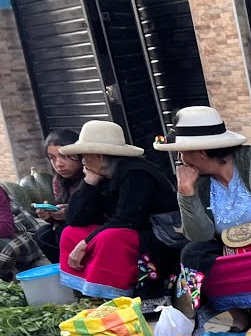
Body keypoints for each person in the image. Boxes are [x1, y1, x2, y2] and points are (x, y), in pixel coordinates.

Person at [155, 106, 251, 331]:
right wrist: (186, 193)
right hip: (229, 248)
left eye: (182, 152)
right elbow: (200, 235)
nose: (180, 159)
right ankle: (239, 314)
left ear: (201, 152)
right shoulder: (201, 183)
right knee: (192, 255)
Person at [58, 121, 183, 303]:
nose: (83, 161)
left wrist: (86, 243)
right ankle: (91, 291)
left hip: (158, 236)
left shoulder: (136, 174)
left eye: (85, 156)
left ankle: (116, 295)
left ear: (99, 157)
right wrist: (89, 182)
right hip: (127, 231)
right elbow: (75, 218)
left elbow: (127, 220)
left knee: (109, 237)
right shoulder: (102, 175)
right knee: (71, 233)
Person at [35, 129, 85, 262]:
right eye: (52, 158)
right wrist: (51, 215)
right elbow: (61, 215)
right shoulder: (58, 180)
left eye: (64, 156)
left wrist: (71, 212)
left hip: (93, 230)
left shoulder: (92, 177)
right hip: (69, 230)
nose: (59, 164)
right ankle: (65, 273)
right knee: (43, 234)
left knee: (65, 230)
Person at [0, 187, 44, 280]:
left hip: (25, 236)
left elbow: (7, 227)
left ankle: (8, 277)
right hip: (6, 235)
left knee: (4, 248)